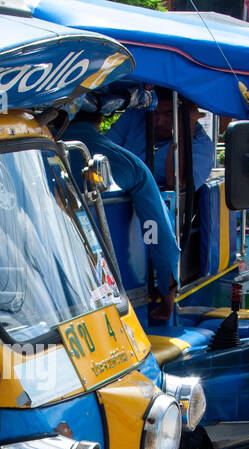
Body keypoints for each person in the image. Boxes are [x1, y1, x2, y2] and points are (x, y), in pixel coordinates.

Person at [64, 94, 181, 322]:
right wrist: (168, 289)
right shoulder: (128, 166)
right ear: (100, 118)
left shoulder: (22, 158)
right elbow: (155, 231)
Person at [107, 92, 216, 193]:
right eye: (155, 113)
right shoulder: (137, 114)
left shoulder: (202, 146)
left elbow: (175, 184)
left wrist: (185, 125)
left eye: (169, 115)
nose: (160, 122)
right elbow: (103, 151)